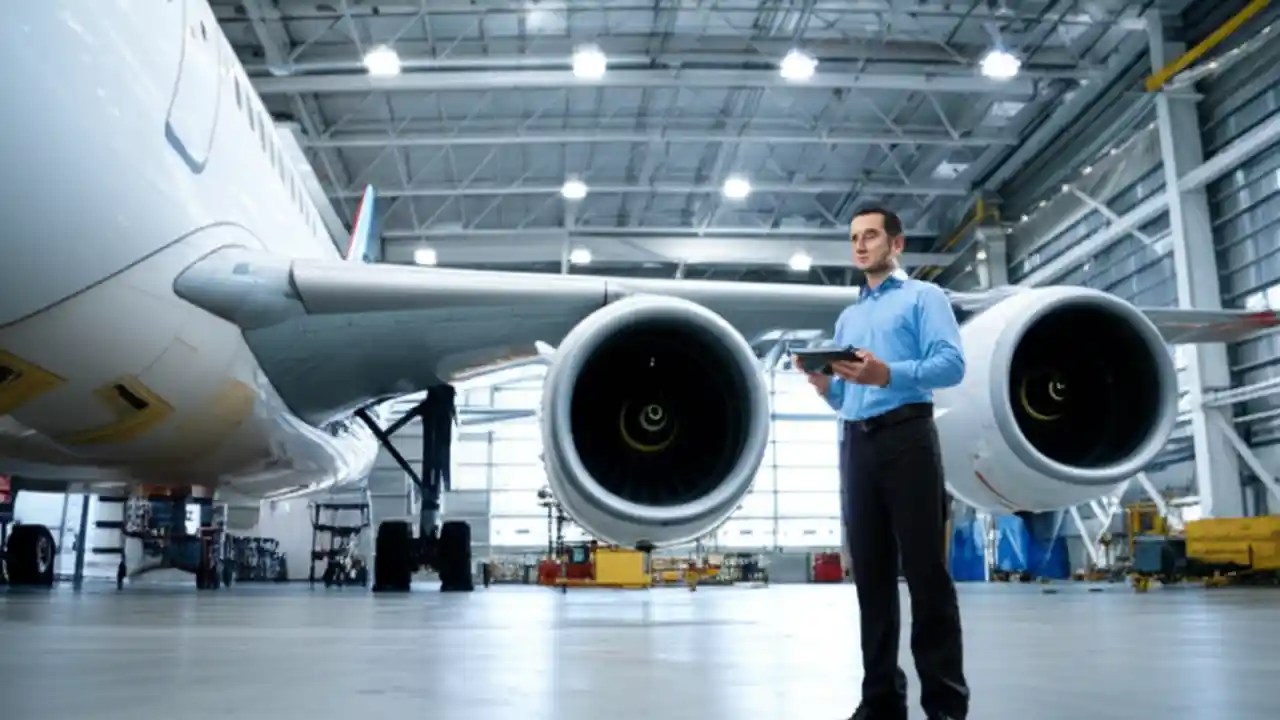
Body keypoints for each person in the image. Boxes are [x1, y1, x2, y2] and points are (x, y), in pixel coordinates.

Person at [794, 207, 969, 720]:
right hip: (857, 444)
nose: (860, 245)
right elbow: (851, 395)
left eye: (870, 236)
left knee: (926, 576)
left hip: (908, 437)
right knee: (870, 578)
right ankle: (881, 703)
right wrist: (829, 388)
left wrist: (888, 373)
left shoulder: (924, 298)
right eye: (854, 238)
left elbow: (951, 364)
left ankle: (944, 707)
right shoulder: (849, 316)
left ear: (896, 244)